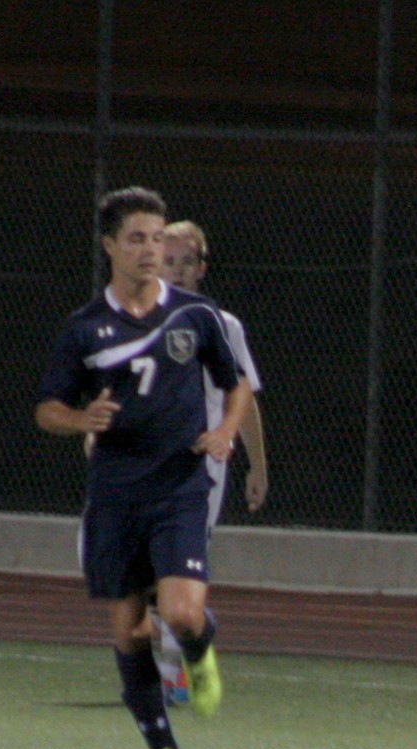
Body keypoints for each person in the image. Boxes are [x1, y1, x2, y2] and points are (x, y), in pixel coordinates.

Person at [36, 187, 253, 749]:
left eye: (157, 238)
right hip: (116, 494)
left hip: (180, 484)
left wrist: (224, 432)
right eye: (137, 238)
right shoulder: (85, 329)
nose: (151, 250)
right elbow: (47, 408)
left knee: (181, 612)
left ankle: (201, 647)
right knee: (130, 630)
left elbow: (236, 388)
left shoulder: (195, 316)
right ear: (110, 246)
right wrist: (81, 421)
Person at [149, 219, 268, 704]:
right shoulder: (137, 321)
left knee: (175, 566)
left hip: (203, 466)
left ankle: (173, 675)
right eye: (167, 261)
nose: (176, 271)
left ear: (201, 269)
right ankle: (197, 631)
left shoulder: (223, 326)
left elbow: (245, 398)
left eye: (185, 262)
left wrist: (258, 465)